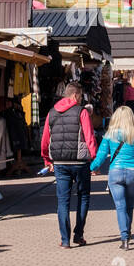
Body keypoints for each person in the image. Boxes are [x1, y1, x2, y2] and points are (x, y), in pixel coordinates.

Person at [89, 106, 134, 250]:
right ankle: (128, 232)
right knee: (129, 206)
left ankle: (124, 238)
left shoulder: (109, 135)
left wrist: (89, 168)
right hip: (133, 173)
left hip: (115, 173)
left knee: (120, 207)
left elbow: (100, 157)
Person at [41, 82, 99, 248]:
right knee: (84, 197)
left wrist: (46, 159)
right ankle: (78, 235)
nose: (80, 99)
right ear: (75, 95)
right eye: (80, 96)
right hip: (80, 162)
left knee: (63, 201)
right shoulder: (81, 112)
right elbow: (89, 137)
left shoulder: (51, 113)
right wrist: (94, 160)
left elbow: (45, 139)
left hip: (59, 162)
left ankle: (65, 240)